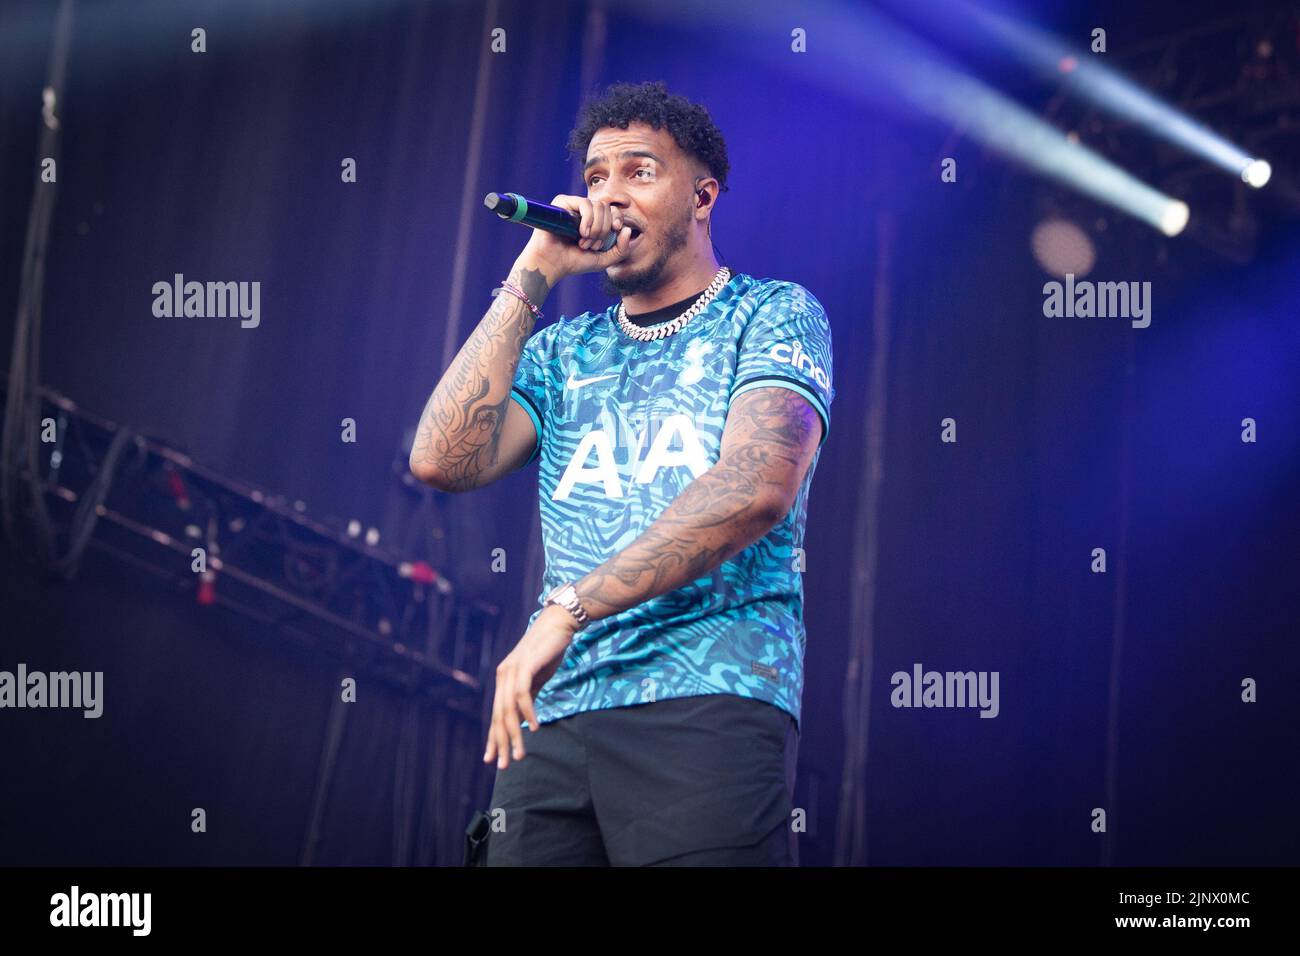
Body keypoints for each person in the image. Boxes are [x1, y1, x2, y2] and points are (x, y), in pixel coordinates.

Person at [409, 80, 834, 865]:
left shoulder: (772, 312)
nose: (609, 194)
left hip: (708, 696)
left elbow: (756, 487)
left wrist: (567, 610)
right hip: (556, 712)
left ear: (702, 197)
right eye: (597, 176)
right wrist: (533, 270)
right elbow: (441, 458)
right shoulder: (564, 352)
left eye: (639, 172)